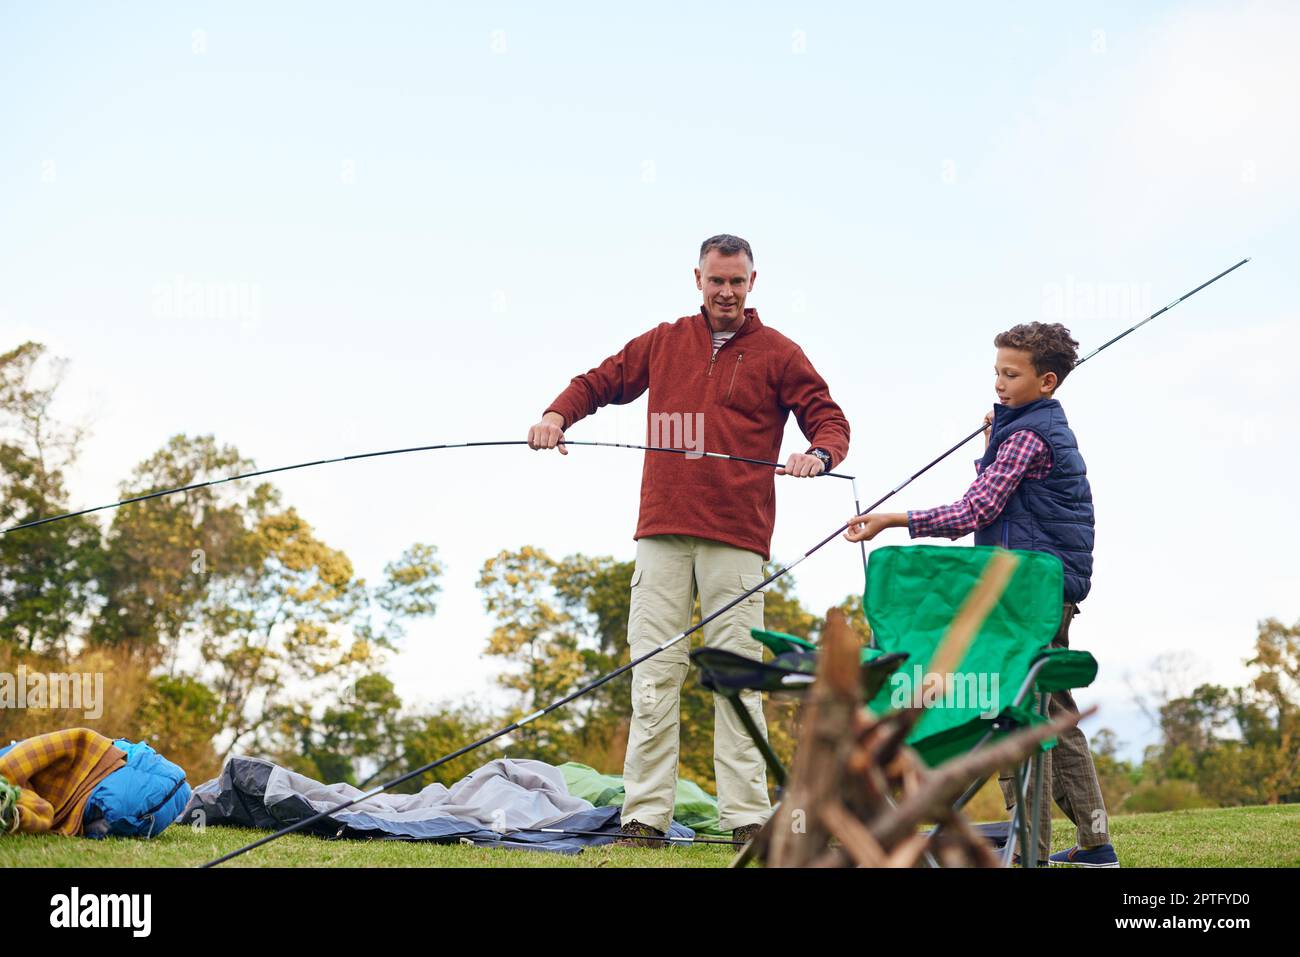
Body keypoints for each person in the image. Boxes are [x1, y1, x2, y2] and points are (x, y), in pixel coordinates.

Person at [527, 234, 851, 846]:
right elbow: (599, 381)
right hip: (661, 532)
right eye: (715, 280)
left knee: (737, 682)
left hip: (737, 537)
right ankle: (644, 819)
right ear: (697, 280)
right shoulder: (664, 340)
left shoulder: (781, 353)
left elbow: (828, 418)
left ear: (753, 282)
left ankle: (748, 821)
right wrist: (554, 416)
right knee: (653, 676)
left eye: (736, 281)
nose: (725, 291)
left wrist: (819, 454)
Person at [843, 321, 1117, 867]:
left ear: (1047, 382)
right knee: (1050, 712)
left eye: (1011, 374)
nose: (999, 382)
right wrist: (993, 439)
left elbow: (977, 511)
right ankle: (1096, 846)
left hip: (1031, 595)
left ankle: (1032, 851)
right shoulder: (1027, 429)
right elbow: (1013, 501)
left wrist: (893, 519)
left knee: (1016, 711)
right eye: (996, 371)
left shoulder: (1028, 436)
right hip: (1037, 591)